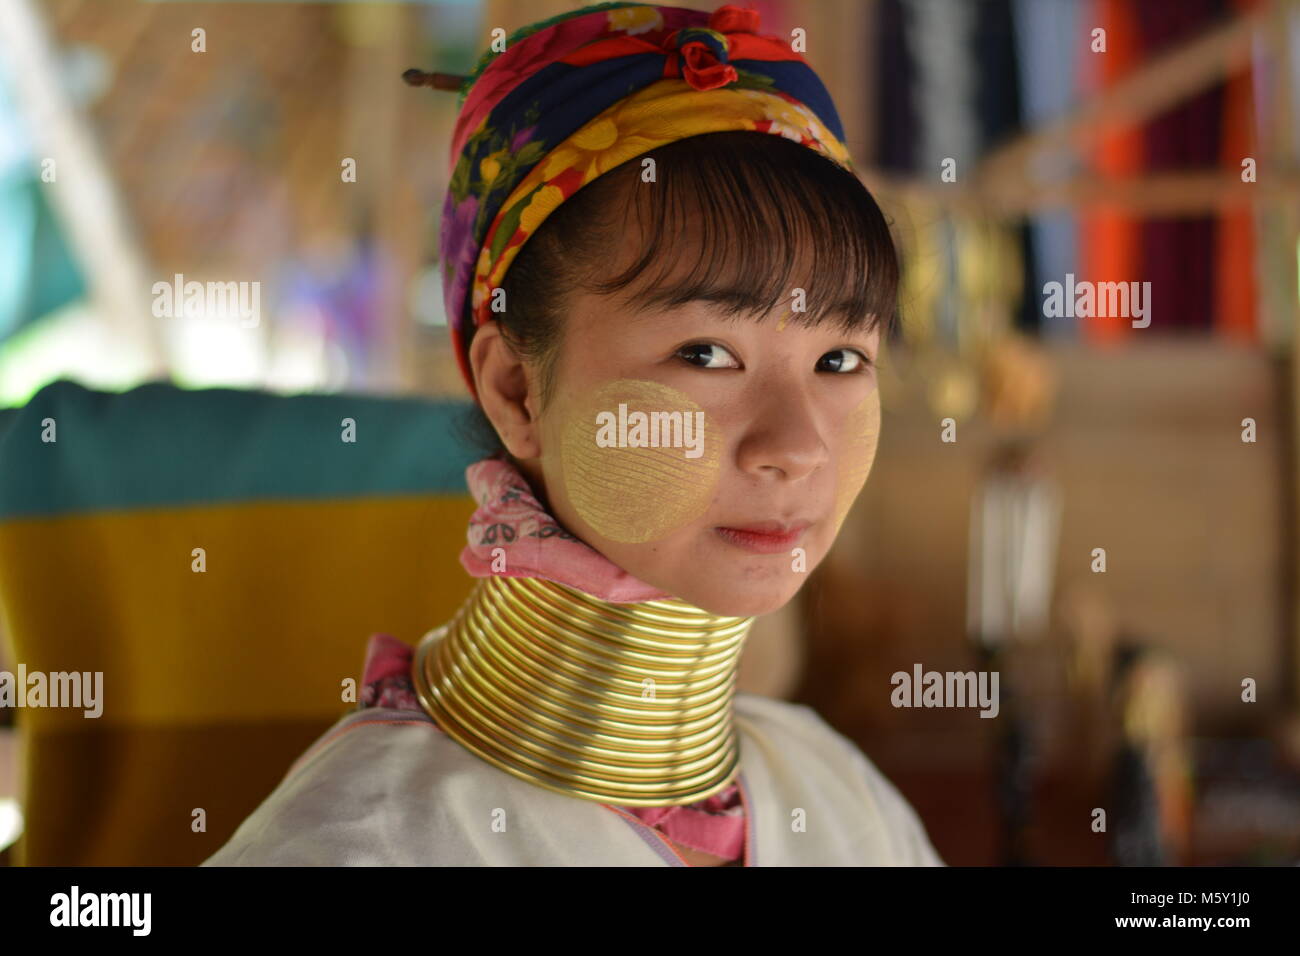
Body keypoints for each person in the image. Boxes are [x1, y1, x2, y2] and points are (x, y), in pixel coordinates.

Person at [204, 0, 944, 867]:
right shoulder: (366, 848)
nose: (799, 444)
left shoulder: (843, 797)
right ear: (516, 390)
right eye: (706, 353)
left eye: (841, 362)